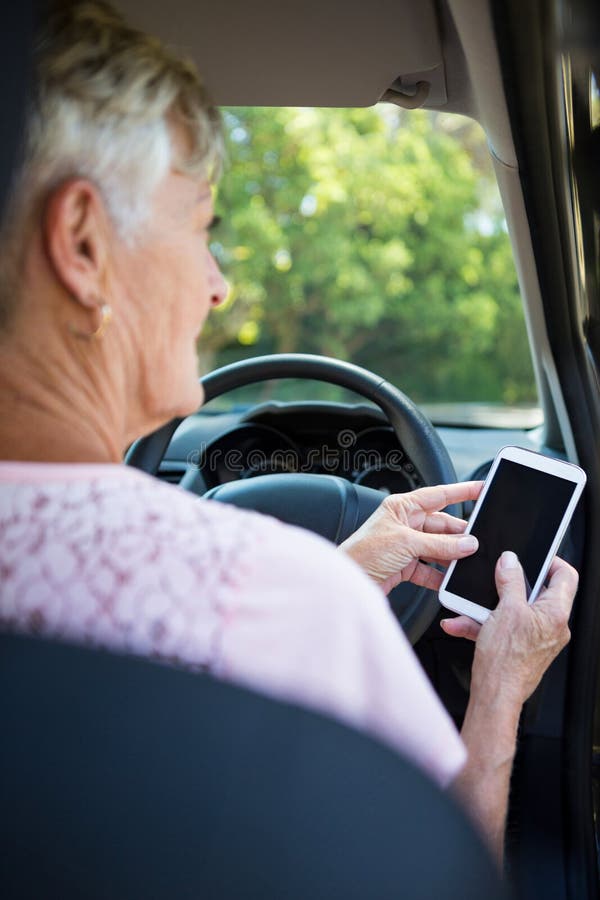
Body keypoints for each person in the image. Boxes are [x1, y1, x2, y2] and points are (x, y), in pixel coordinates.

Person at [0, 0, 577, 864]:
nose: (218, 285)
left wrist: (343, 574)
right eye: (201, 230)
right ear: (82, 244)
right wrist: (497, 692)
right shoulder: (283, 599)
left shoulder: (304, 600)